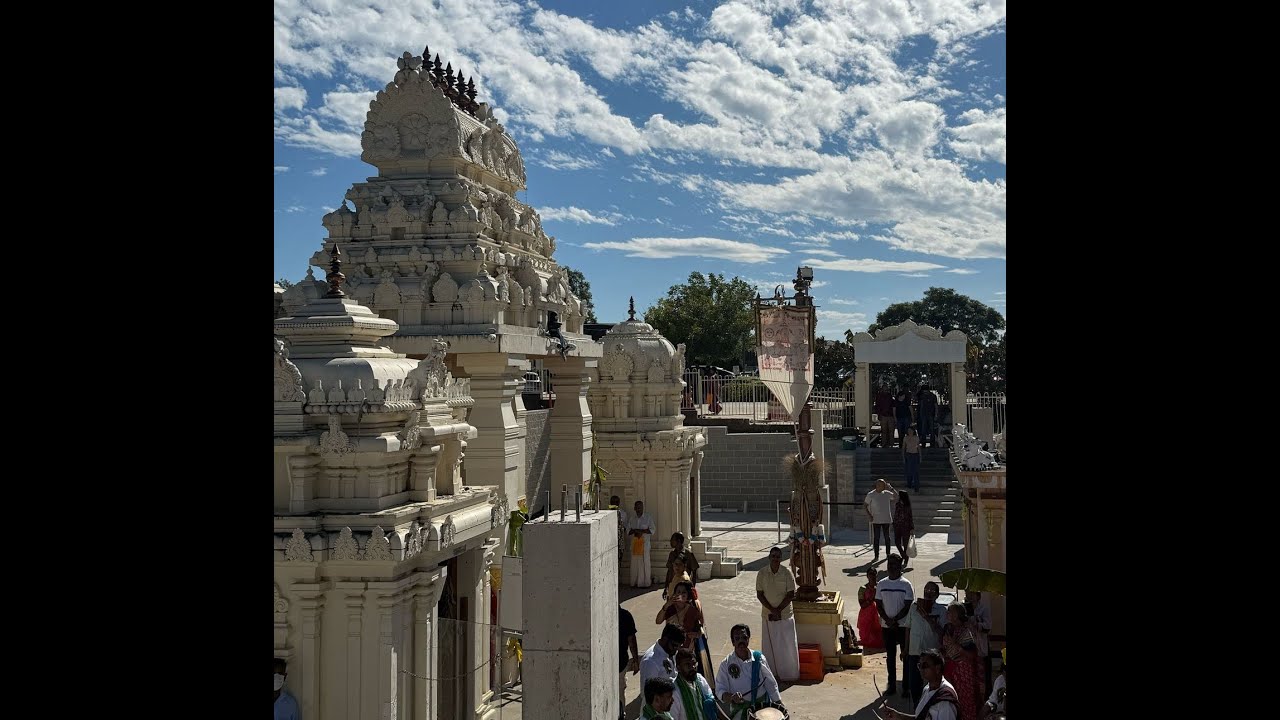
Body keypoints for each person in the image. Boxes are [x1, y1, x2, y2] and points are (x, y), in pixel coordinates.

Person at [715, 624, 784, 718]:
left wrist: (779, 703)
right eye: (737, 638)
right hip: (739, 712)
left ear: (748, 639)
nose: (741, 641)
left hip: (761, 710)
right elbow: (720, 690)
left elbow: (770, 683)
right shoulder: (726, 664)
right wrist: (732, 697)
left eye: (744, 638)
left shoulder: (759, 658)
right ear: (733, 642)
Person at [755, 545, 799, 682]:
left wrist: (778, 610)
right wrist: (772, 610)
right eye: (773, 556)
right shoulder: (762, 573)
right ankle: (771, 674)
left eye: (778, 557)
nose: (775, 559)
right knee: (769, 648)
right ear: (769, 557)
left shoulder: (786, 573)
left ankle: (789, 675)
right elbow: (760, 594)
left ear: (781, 559)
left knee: (786, 647)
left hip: (784, 615)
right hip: (768, 616)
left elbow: (791, 594)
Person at [902, 581, 948, 705]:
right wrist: (906, 648)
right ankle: (917, 709)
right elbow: (908, 627)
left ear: (937, 595)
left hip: (931, 653)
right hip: (915, 651)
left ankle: (930, 708)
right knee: (914, 685)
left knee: (931, 685)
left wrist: (927, 617)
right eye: (926, 590)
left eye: (932, 591)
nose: (928, 593)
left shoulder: (941, 610)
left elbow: (942, 632)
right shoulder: (914, 607)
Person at [875, 554, 914, 696]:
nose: (891, 567)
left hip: (903, 627)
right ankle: (891, 686)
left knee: (906, 656)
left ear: (900, 566)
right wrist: (888, 620)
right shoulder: (881, 584)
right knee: (890, 657)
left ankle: (906, 687)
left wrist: (895, 620)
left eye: (894, 564)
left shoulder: (906, 585)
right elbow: (878, 604)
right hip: (887, 627)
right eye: (889, 564)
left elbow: (908, 606)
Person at [880, 649, 959, 720]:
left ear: (937, 668)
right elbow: (920, 717)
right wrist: (899, 716)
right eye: (919, 665)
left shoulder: (946, 702)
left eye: (925, 666)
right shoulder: (927, 688)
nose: (921, 669)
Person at [940, 603, 983, 720]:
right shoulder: (948, 628)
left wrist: (956, 646)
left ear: (956, 615)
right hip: (949, 671)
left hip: (963, 672)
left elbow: (972, 654)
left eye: (950, 612)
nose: (947, 614)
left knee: (965, 700)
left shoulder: (966, 631)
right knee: (951, 699)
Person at [671, 647, 731, 720]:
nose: (693, 667)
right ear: (678, 668)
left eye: (694, 663)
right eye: (687, 665)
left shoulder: (700, 679)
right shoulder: (674, 691)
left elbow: (712, 703)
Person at [656, 581, 706, 660]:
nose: (680, 595)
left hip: (687, 649)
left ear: (688, 595)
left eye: (684, 592)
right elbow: (658, 621)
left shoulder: (692, 610)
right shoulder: (670, 608)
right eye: (678, 592)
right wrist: (666, 605)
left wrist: (696, 634)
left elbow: (701, 629)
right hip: (671, 647)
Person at [641, 623, 687, 687]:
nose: (677, 649)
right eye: (675, 646)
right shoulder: (651, 661)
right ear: (665, 639)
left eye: (680, 646)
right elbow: (648, 690)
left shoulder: (671, 651)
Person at [965, 591, 993, 695]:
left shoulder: (984, 608)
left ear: (978, 596)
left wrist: (976, 622)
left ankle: (987, 696)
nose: (970, 596)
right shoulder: (963, 608)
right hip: (969, 645)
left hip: (981, 644)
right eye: (968, 593)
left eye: (972, 594)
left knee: (985, 673)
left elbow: (988, 626)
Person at [866, 478, 898, 562]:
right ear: (877, 485)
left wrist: (891, 488)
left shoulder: (887, 493)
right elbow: (865, 505)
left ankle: (888, 554)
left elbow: (896, 496)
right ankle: (876, 555)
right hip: (876, 520)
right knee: (876, 538)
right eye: (881, 485)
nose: (883, 486)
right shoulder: (871, 494)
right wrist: (869, 515)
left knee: (887, 538)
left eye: (884, 485)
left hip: (886, 519)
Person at [628, 500, 656, 588]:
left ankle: (646, 583)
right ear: (634, 508)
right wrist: (635, 531)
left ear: (643, 508)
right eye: (637, 507)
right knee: (635, 563)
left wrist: (642, 532)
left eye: (640, 507)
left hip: (645, 545)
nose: (639, 509)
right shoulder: (632, 519)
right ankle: (635, 582)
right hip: (635, 544)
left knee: (645, 563)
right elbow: (628, 531)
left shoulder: (648, 518)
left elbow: (652, 530)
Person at [857, 568, 884, 650]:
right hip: (866, 614)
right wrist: (872, 598)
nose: (872, 576)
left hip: (877, 613)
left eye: (874, 574)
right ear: (867, 576)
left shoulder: (880, 586)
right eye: (870, 574)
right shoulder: (862, 589)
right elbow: (862, 605)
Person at [621, 605, 641, 720]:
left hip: (620, 664)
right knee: (620, 693)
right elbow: (632, 640)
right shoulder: (625, 615)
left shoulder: (625, 616)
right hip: (620, 663)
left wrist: (635, 660)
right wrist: (635, 660)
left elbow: (631, 639)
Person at [893, 491, 915, 567]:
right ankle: (903, 555)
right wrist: (894, 523)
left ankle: (906, 560)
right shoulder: (898, 504)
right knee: (897, 542)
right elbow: (896, 515)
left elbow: (910, 517)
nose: (898, 496)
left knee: (905, 545)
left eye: (899, 495)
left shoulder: (907, 506)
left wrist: (912, 527)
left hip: (906, 527)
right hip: (897, 526)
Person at [902, 426, 922, 491]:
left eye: (911, 431)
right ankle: (909, 484)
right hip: (908, 454)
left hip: (915, 455)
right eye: (908, 431)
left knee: (916, 471)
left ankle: (916, 486)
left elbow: (918, 447)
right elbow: (903, 448)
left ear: (913, 431)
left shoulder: (916, 437)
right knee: (909, 471)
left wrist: (920, 457)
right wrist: (903, 457)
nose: (909, 432)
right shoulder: (905, 438)